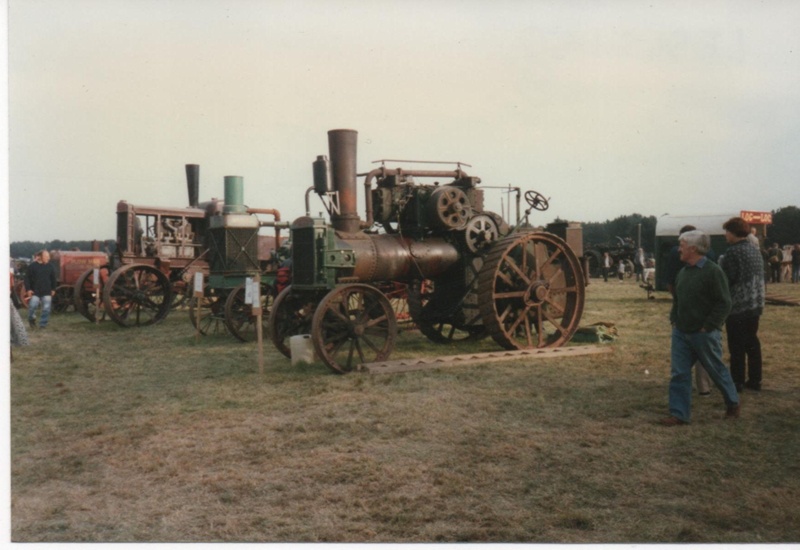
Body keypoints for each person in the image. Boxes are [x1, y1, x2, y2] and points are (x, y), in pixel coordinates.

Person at [661, 230, 740, 426]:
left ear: (693, 249)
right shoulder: (683, 272)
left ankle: (733, 403)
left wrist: (708, 326)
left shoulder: (713, 272)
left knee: (716, 370)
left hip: (703, 334)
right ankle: (679, 414)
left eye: (682, 245)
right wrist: (674, 318)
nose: (679, 249)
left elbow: (724, 303)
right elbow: (678, 299)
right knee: (679, 373)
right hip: (681, 332)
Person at [663, 224, 713, 396]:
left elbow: (669, 280)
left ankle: (683, 384)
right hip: (705, 308)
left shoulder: (673, 253)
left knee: (682, 351)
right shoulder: (709, 253)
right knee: (703, 349)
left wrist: (677, 299)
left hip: (684, 308)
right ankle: (704, 386)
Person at [720, 217, 765, 393]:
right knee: (752, 342)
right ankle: (755, 380)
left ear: (733, 233)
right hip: (755, 304)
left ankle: (737, 381)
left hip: (738, 306)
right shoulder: (755, 250)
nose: (725, 235)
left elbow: (727, 279)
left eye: (727, 232)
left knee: (736, 345)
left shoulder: (732, 252)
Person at [24, 250, 58, 329]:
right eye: (46, 257)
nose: (48, 258)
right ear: (39, 257)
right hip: (34, 291)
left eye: (48, 257)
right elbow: (27, 279)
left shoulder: (50, 267)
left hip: (47, 291)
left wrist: (53, 289)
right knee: (32, 306)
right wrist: (28, 289)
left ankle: (43, 325)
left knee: (46, 309)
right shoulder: (32, 266)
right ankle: (31, 319)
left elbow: (53, 279)